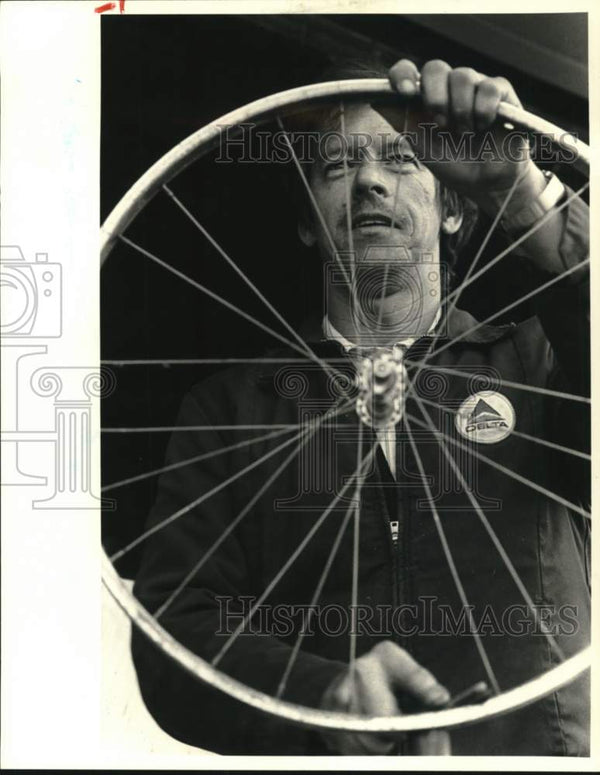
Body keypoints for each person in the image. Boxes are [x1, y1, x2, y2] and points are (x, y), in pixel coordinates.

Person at [131, 57, 590, 755]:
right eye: (337, 164)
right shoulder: (230, 407)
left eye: (401, 159)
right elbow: (173, 636)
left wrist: (526, 198)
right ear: (308, 224)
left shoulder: (541, 363)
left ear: (455, 208)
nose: (370, 180)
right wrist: (323, 694)